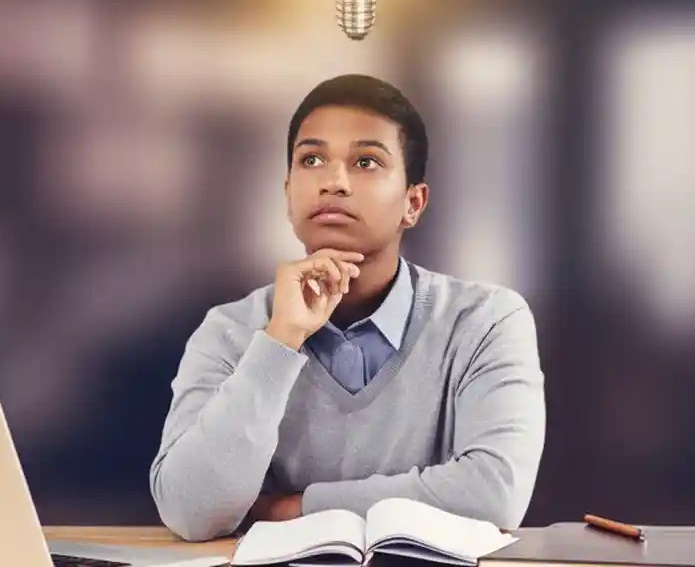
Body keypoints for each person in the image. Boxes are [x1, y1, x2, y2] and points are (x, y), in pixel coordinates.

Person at [149, 74, 545, 542]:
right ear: (288, 194)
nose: (333, 183)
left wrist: (296, 509)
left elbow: (495, 493)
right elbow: (190, 511)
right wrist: (280, 341)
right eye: (312, 160)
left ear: (413, 203)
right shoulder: (229, 330)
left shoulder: (486, 321)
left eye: (366, 162)